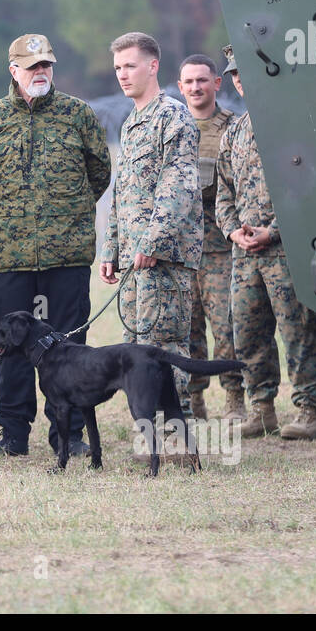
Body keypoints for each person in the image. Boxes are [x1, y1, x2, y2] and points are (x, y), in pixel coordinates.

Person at [0, 33, 113, 456]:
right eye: (32, 67)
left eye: (46, 65)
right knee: (10, 345)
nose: (41, 73)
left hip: (66, 254)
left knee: (69, 348)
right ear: (13, 71)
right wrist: (14, 217)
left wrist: (65, 215)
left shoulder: (78, 114)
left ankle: (68, 436)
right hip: (11, 256)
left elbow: (99, 174)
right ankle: (13, 435)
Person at [216, 46, 316, 439]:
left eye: (244, 71)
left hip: (289, 250)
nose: (238, 79)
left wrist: (274, 230)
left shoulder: (296, 123)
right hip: (245, 255)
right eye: (233, 73)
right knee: (247, 332)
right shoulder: (234, 130)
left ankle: (309, 411)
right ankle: (261, 408)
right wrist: (233, 229)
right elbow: (224, 191)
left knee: (301, 330)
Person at [99, 32, 203, 433]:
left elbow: (178, 187)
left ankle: (179, 436)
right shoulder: (132, 123)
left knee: (166, 348)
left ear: (153, 66)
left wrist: (153, 243)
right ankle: (151, 435)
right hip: (132, 262)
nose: (123, 75)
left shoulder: (172, 118)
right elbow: (123, 192)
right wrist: (111, 250)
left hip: (163, 259)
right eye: (118, 68)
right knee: (139, 350)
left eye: (130, 66)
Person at [176, 54, 243, 421]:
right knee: (186, 331)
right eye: (189, 82)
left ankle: (235, 399)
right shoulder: (172, 125)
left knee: (227, 326)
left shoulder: (233, 128)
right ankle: (192, 402)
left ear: (216, 83)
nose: (196, 88)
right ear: (180, 86)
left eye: (202, 80)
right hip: (181, 250)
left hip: (220, 248)